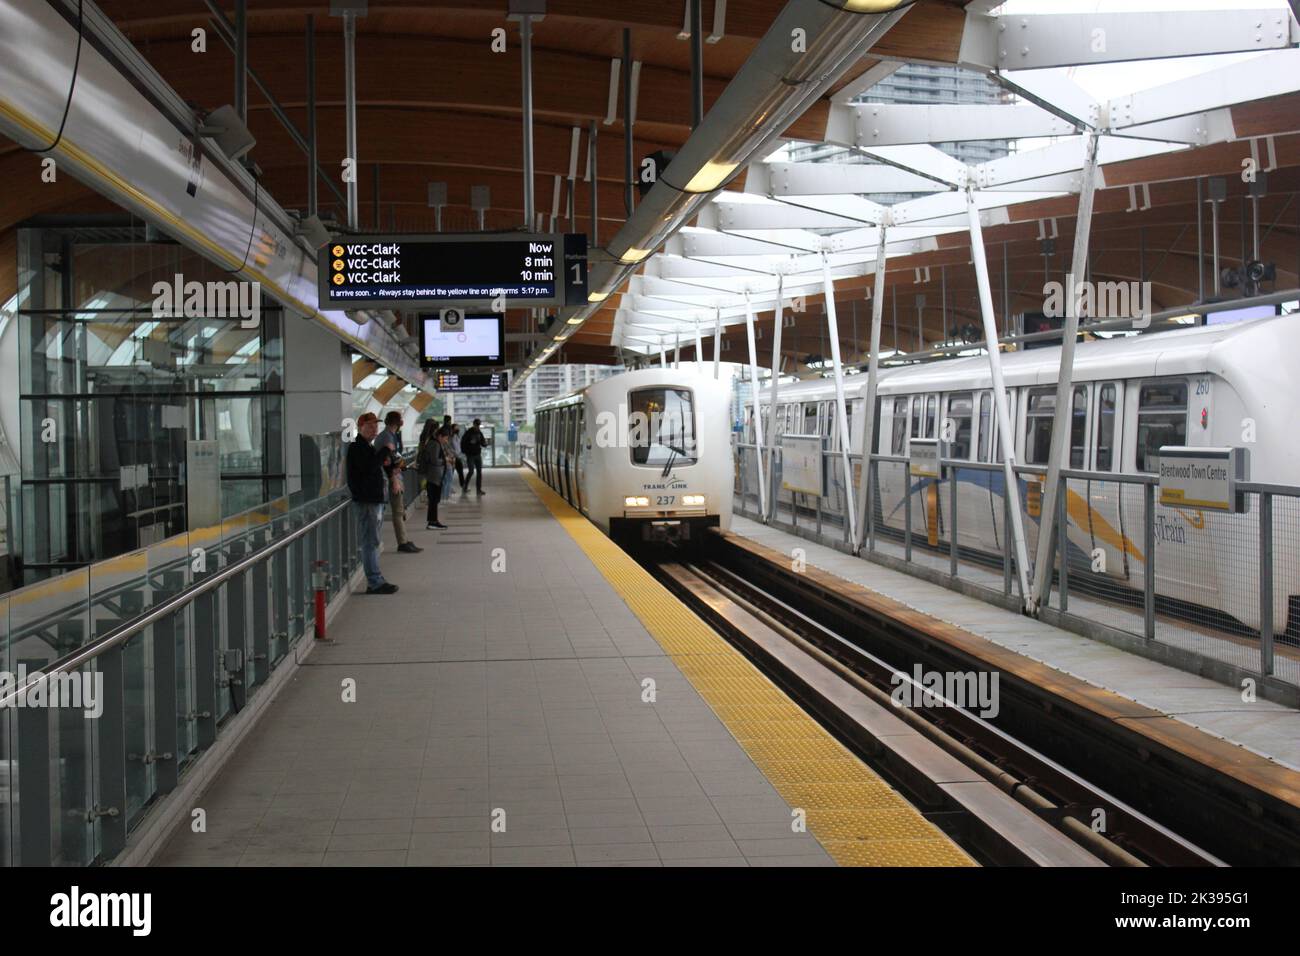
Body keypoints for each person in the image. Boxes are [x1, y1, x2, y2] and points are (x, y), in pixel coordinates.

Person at [346, 412, 398, 594]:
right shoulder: (357, 447)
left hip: (373, 500)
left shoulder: (366, 447)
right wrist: (385, 450)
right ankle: (374, 582)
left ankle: (376, 578)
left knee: (373, 541)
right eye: (369, 426)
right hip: (367, 501)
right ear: (360, 428)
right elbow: (369, 467)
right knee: (370, 542)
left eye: (376, 426)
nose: (374, 429)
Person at [375, 411, 421, 554]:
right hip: (391, 478)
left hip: (391, 476)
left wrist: (403, 467)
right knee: (398, 511)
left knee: (397, 510)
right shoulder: (388, 437)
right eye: (401, 419)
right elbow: (392, 459)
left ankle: (404, 540)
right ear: (398, 422)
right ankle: (402, 542)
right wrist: (394, 479)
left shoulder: (387, 435)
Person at [417, 419, 449, 529]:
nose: (446, 440)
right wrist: (444, 461)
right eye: (445, 438)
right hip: (434, 476)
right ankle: (432, 522)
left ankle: (433, 521)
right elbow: (435, 460)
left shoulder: (429, 441)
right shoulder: (434, 443)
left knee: (434, 500)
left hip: (432, 475)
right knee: (434, 500)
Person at [461, 418, 487, 495]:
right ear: (474, 424)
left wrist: (485, 444)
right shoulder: (468, 432)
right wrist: (465, 451)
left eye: (479, 425)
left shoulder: (479, 432)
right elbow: (463, 442)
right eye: (477, 425)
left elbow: (482, 442)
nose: (478, 426)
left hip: (477, 454)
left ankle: (478, 490)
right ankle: (465, 487)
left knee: (479, 472)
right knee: (471, 471)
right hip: (470, 455)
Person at [449, 424, 467, 491]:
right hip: (452, 457)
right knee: (451, 472)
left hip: (457, 456)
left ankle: (463, 486)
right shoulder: (450, 437)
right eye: (456, 428)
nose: (458, 429)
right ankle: (450, 488)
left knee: (460, 471)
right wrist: (454, 454)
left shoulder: (457, 436)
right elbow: (450, 447)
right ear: (453, 429)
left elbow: (458, 446)